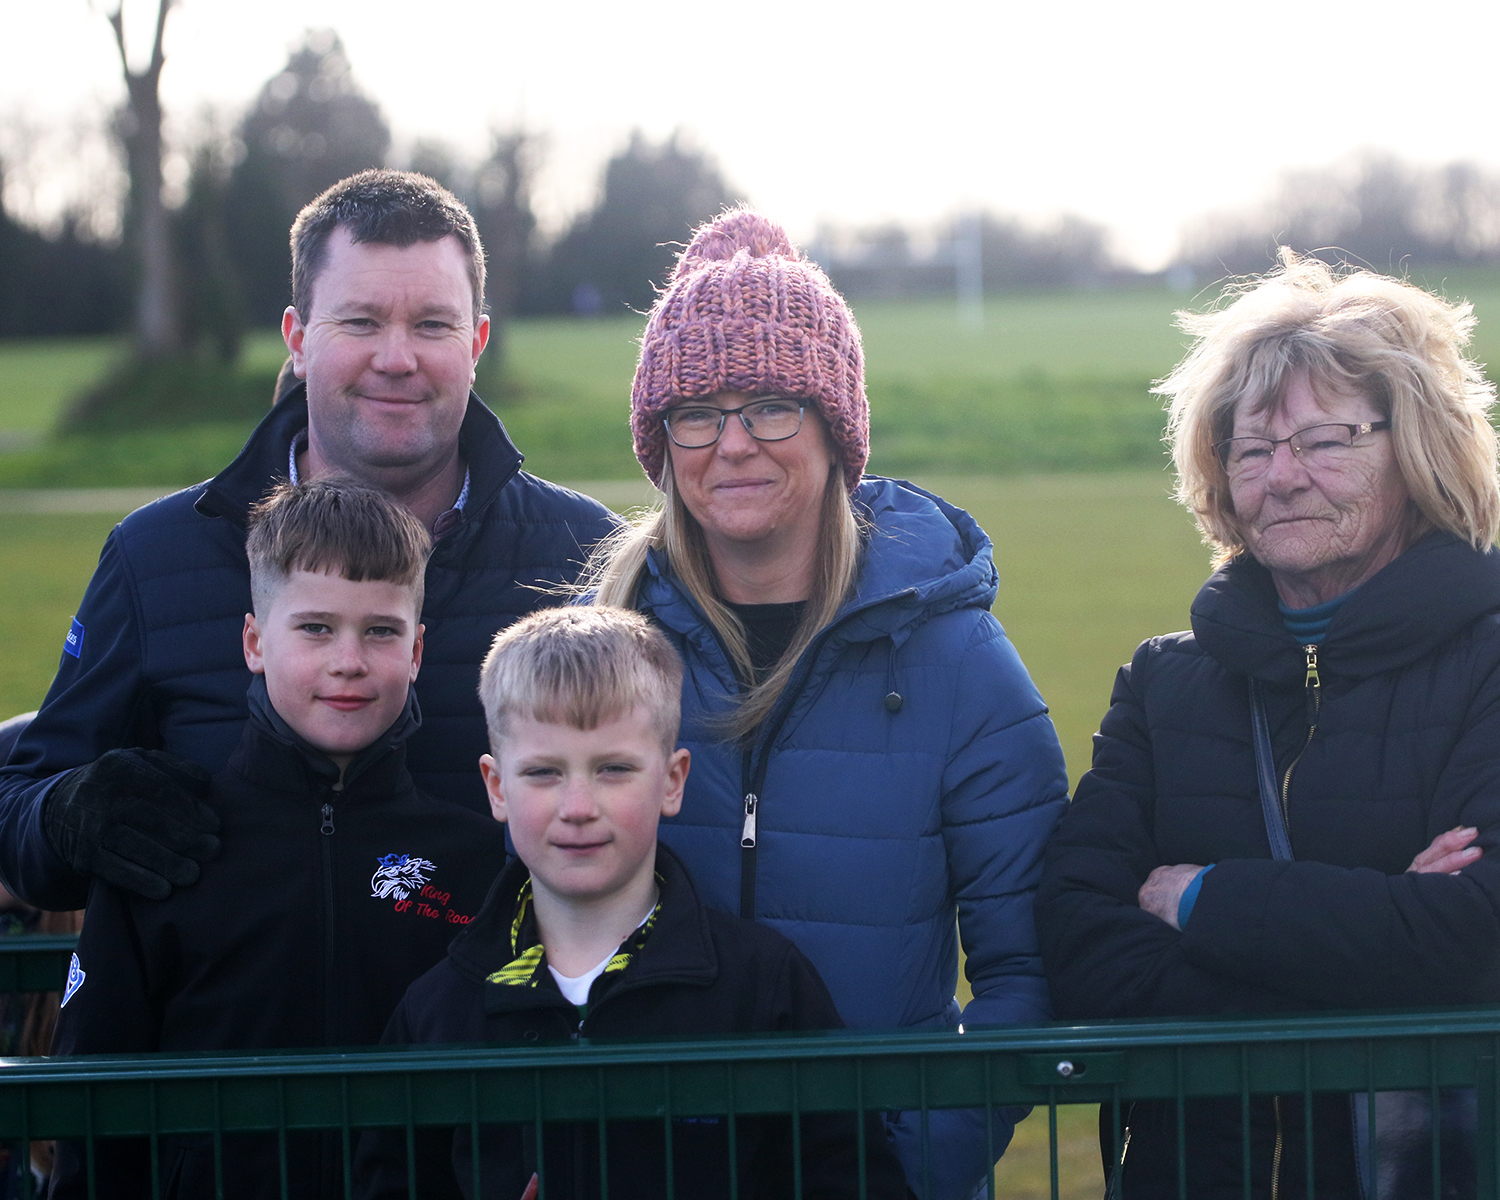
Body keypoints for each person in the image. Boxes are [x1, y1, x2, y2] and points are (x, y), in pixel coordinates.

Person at [584, 207, 1069, 1200]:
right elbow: (527, 921)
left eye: (771, 406)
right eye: (697, 411)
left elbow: (1029, 972)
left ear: (836, 430)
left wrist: (906, 1165)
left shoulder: (958, 660)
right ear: (661, 442)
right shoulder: (606, 645)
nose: (733, 444)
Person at [0, 169, 617, 913]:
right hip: (235, 995)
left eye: (433, 324)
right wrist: (66, 817)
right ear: (297, 339)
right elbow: (20, 809)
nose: (397, 358)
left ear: (477, 341)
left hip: (496, 993)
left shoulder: (587, 558)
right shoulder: (155, 557)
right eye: (360, 322)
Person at [1035, 251, 1500, 1200]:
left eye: (1325, 441)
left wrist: (1202, 901)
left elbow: (1474, 938)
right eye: (1251, 450)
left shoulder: (1488, 663)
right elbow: (1077, 939)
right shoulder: (1164, 684)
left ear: (1418, 452)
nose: (1282, 477)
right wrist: (1368, 945)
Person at [48, 478, 510, 1200]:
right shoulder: (165, 845)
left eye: (381, 631)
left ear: (418, 649)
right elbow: (94, 1096)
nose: (349, 660)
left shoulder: (474, 859)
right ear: (255, 642)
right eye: (316, 628)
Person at [354, 606, 908, 1200]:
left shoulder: (763, 988)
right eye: (543, 773)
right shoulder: (439, 1012)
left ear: (672, 780)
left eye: (613, 769)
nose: (578, 807)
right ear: (497, 787)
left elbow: (852, 1179)